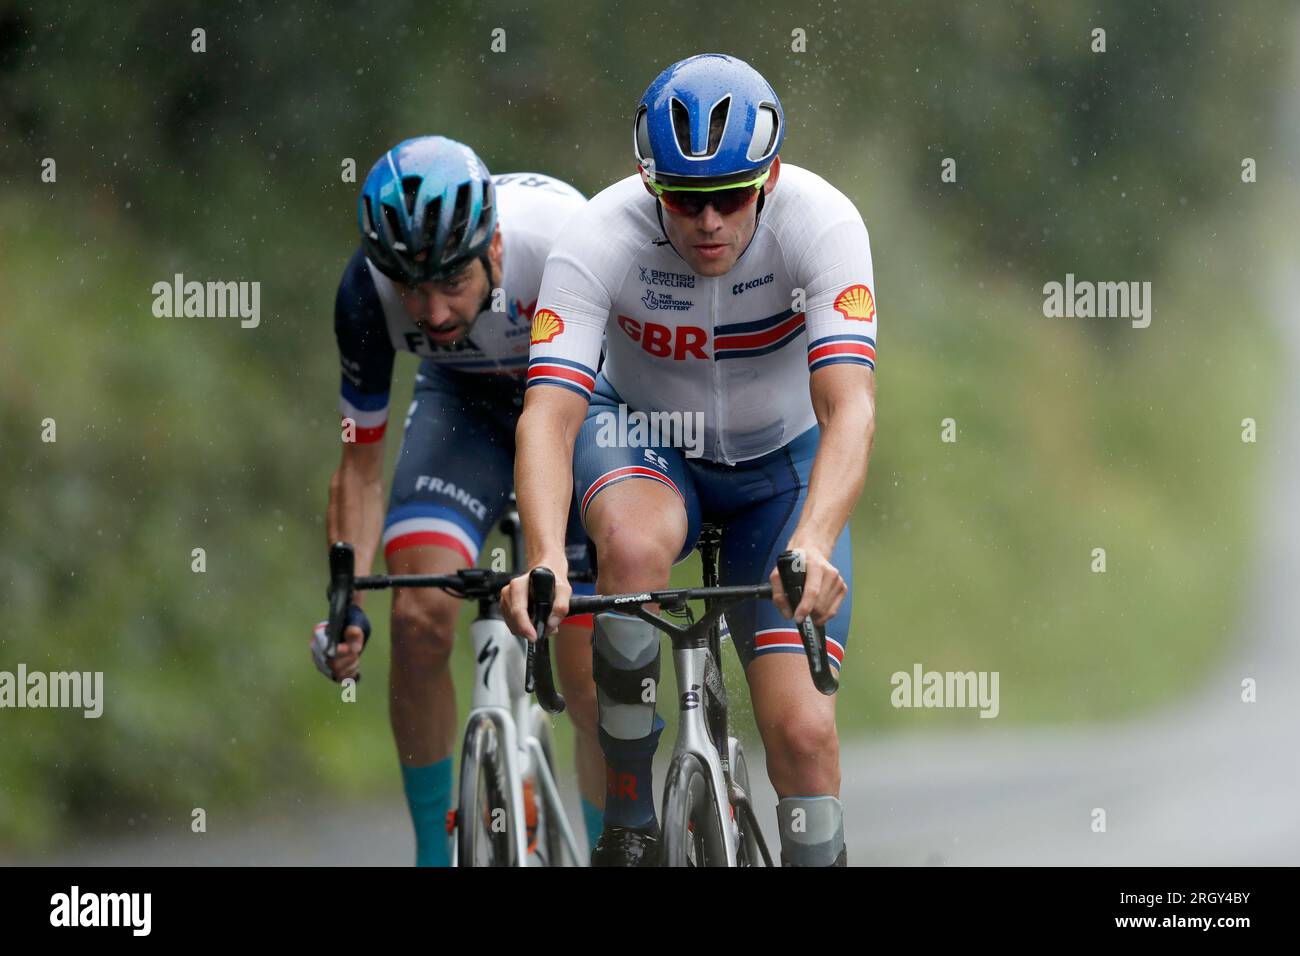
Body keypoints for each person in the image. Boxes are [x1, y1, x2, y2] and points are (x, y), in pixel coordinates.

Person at [501, 55, 878, 866]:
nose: (709, 222)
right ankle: (630, 824)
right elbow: (548, 417)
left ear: (769, 179)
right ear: (651, 185)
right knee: (631, 552)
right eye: (685, 200)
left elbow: (849, 408)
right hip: (645, 441)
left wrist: (813, 540)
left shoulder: (824, 224)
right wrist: (542, 558)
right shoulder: (598, 235)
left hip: (778, 474)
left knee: (804, 735)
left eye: (731, 198)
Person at [313, 135, 606, 866]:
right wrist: (344, 600)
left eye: (450, 281)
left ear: (496, 249)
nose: (434, 311)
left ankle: (613, 844)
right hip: (463, 409)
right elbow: (360, 467)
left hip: (577, 401)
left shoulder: (563, 244)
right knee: (417, 616)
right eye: (411, 288)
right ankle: (432, 853)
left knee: (587, 662)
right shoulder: (363, 293)